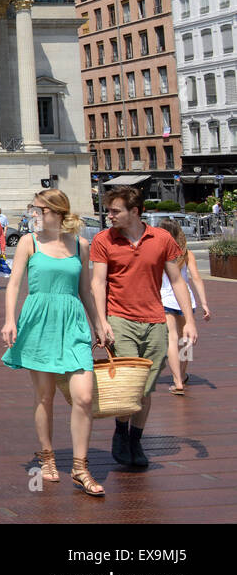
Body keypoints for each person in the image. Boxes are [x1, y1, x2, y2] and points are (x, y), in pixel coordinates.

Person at [1, 189, 104, 496]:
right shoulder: (28, 243)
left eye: (39, 210)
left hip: (72, 322)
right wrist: (10, 319)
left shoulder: (81, 245)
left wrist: (99, 323)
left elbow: (85, 289)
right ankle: (47, 456)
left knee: (84, 397)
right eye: (34, 209)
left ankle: (80, 467)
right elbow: (14, 284)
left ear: (57, 212)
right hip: (39, 322)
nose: (34, 214)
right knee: (45, 397)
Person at [91, 186, 197, 468]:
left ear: (135, 211)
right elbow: (97, 283)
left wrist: (190, 321)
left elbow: (177, 281)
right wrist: (101, 322)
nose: (109, 216)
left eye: (115, 211)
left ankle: (135, 440)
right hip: (120, 319)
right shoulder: (104, 240)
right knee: (129, 386)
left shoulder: (161, 238)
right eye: (108, 210)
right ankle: (120, 433)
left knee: (145, 390)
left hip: (155, 321)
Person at [157, 218, 211, 395]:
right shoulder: (185, 253)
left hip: (164, 298)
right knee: (185, 340)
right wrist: (204, 303)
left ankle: (177, 380)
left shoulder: (157, 251)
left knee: (172, 339)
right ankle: (182, 373)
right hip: (185, 299)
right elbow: (196, 278)